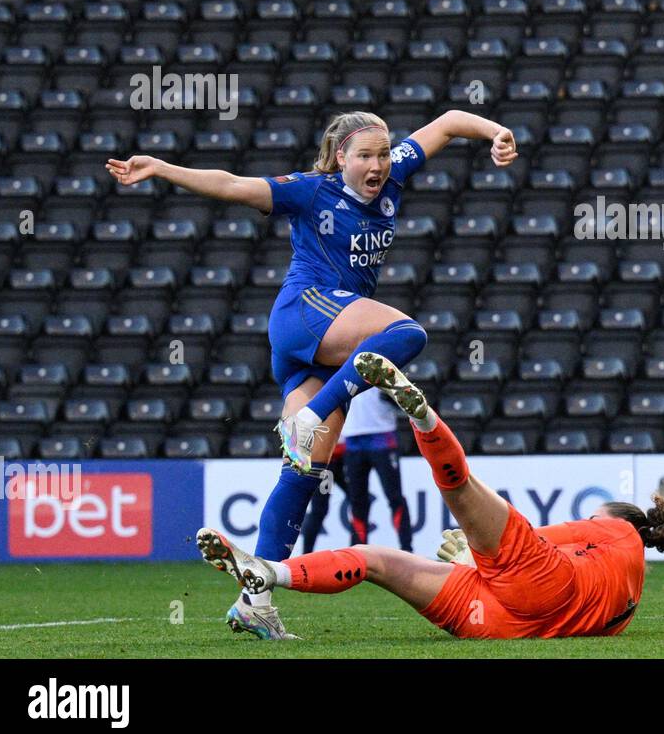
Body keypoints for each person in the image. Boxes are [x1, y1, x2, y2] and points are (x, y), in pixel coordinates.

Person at [108, 110, 516, 639]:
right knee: (408, 334)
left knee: (302, 474)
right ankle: (311, 416)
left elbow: (449, 121)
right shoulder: (310, 191)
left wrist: (496, 134)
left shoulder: (395, 175)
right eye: (364, 155)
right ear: (340, 156)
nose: (377, 164)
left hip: (317, 346)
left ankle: (254, 601)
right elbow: (232, 185)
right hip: (305, 312)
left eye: (383, 153)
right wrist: (163, 167)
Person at [198, 352, 664, 639]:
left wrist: (475, 547)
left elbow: (537, 538)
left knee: (460, 490)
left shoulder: (617, 528)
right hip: (499, 624)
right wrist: (473, 560)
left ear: (616, 518)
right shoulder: (626, 596)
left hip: (540, 587)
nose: (589, 519)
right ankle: (270, 573)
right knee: (374, 559)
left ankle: (423, 417)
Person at [342, 386, 414, 551]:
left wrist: (395, 398)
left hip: (382, 436)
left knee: (394, 497)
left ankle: (407, 550)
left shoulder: (384, 361)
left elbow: (406, 398)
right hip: (353, 438)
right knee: (357, 502)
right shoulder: (339, 362)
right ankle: (357, 554)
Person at [300, 439, 348, 555]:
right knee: (319, 509)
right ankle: (306, 555)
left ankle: (360, 552)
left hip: (345, 457)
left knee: (360, 502)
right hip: (327, 462)